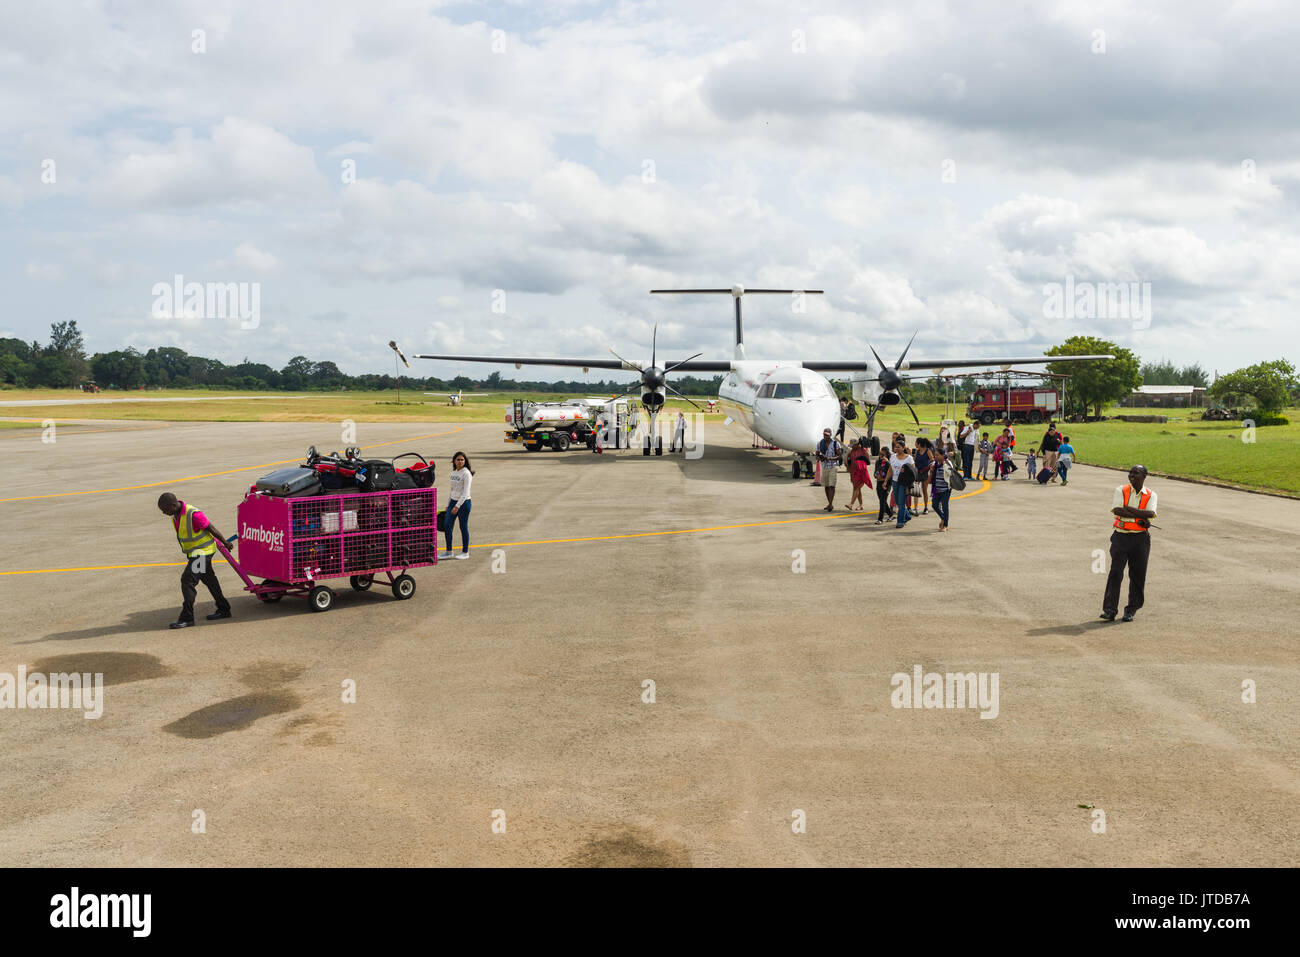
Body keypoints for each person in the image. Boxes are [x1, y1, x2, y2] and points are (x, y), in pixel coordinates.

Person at [157, 492, 232, 629]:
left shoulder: (193, 514)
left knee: (188, 581)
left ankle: (187, 617)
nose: (164, 513)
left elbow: (211, 528)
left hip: (202, 553)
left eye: (165, 510)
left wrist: (225, 542)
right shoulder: (175, 515)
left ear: (173, 505)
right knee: (209, 580)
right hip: (195, 553)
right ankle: (224, 609)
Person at [1102, 465, 1158, 622]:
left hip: (1141, 539)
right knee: (1115, 573)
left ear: (1145, 476)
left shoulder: (1151, 495)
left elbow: (1151, 513)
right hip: (1121, 537)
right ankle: (1110, 610)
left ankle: (1131, 610)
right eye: (1131, 472)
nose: (1132, 475)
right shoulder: (1121, 490)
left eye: (1136, 473)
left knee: (1138, 576)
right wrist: (1140, 516)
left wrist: (1129, 509)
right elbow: (1118, 510)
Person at [441, 451, 474, 560]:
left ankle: (465, 552)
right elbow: (452, 490)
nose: (460, 461)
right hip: (453, 502)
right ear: (454, 461)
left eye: (462, 460)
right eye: (458, 459)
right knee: (447, 525)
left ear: (465, 461)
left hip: (464, 503)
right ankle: (449, 551)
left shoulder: (466, 473)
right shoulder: (453, 473)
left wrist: (457, 506)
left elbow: (465, 492)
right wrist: (449, 504)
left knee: (463, 526)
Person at [889, 440, 916, 529]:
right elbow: (890, 469)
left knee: (901, 502)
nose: (896, 448)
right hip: (895, 481)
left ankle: (900, 521)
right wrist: (886, 481)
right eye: (896, 447)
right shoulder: (893, 457)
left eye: (899, 447)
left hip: (904, 483)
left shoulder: (909, 458)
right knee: (897, 501)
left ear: (903, 448)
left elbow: (914, 470)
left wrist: (906, 471)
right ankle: (907, 516)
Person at [815, 428, 843, 511]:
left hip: (832, 467)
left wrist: (829, 459)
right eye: (824, 434)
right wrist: (820, 458)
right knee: (826, 486)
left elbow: (839, 456)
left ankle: (830, 504)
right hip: (824, 467)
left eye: (827, 435)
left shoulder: (835, 444)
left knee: (831, 485)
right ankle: (829, 503)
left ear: (831, 435)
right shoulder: (820, 443)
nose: (825, 436)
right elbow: (816, 454)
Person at [846, 438, 870, 510]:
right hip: (853, 472)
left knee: (857, 488)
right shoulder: (852, 451)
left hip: (861, 472)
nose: (852, 447)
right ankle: (861, 505)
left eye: (853, 445)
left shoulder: (863, 450)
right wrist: (847, 464)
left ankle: (851, 504)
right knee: (857, 489)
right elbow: (847, 458)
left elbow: (868, 460)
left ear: (857, 444)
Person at [931, 446, 951, 531]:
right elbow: (932, 476)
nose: (936, 457)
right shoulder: (934, 464)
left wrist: (945, 466)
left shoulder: (947, 463)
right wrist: (931, 470)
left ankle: (945, 525)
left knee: (945, 507)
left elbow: (951, 473)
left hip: (945, 489)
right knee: (934, 505)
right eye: (935, 455)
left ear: (943, 455)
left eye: (938, 455)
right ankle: (943, 517)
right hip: (937, 489)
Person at [873, 450, 894, 524]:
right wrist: (876, 475)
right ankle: (890, 514)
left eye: (883, 455)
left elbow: (892, 471)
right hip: (879, 483)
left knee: (882, 501)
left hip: (887, 483)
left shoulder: (889, 463)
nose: (881, 456)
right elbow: (875, 473)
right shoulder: (878, 462)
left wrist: (888, 462)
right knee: (882, 500)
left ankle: (880, 519)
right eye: (880, 454)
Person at [914, 438, 933, 515]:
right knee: (916, 491)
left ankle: (926, 507)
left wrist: (927, 469)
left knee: (924, 490)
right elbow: (914, 461)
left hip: (925, 473)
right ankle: (915, 508)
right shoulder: (917, 451)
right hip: (917, 473)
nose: (915, 444)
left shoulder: (928, 451)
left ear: (919, 444)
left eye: (916, 443)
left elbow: (932, 461)